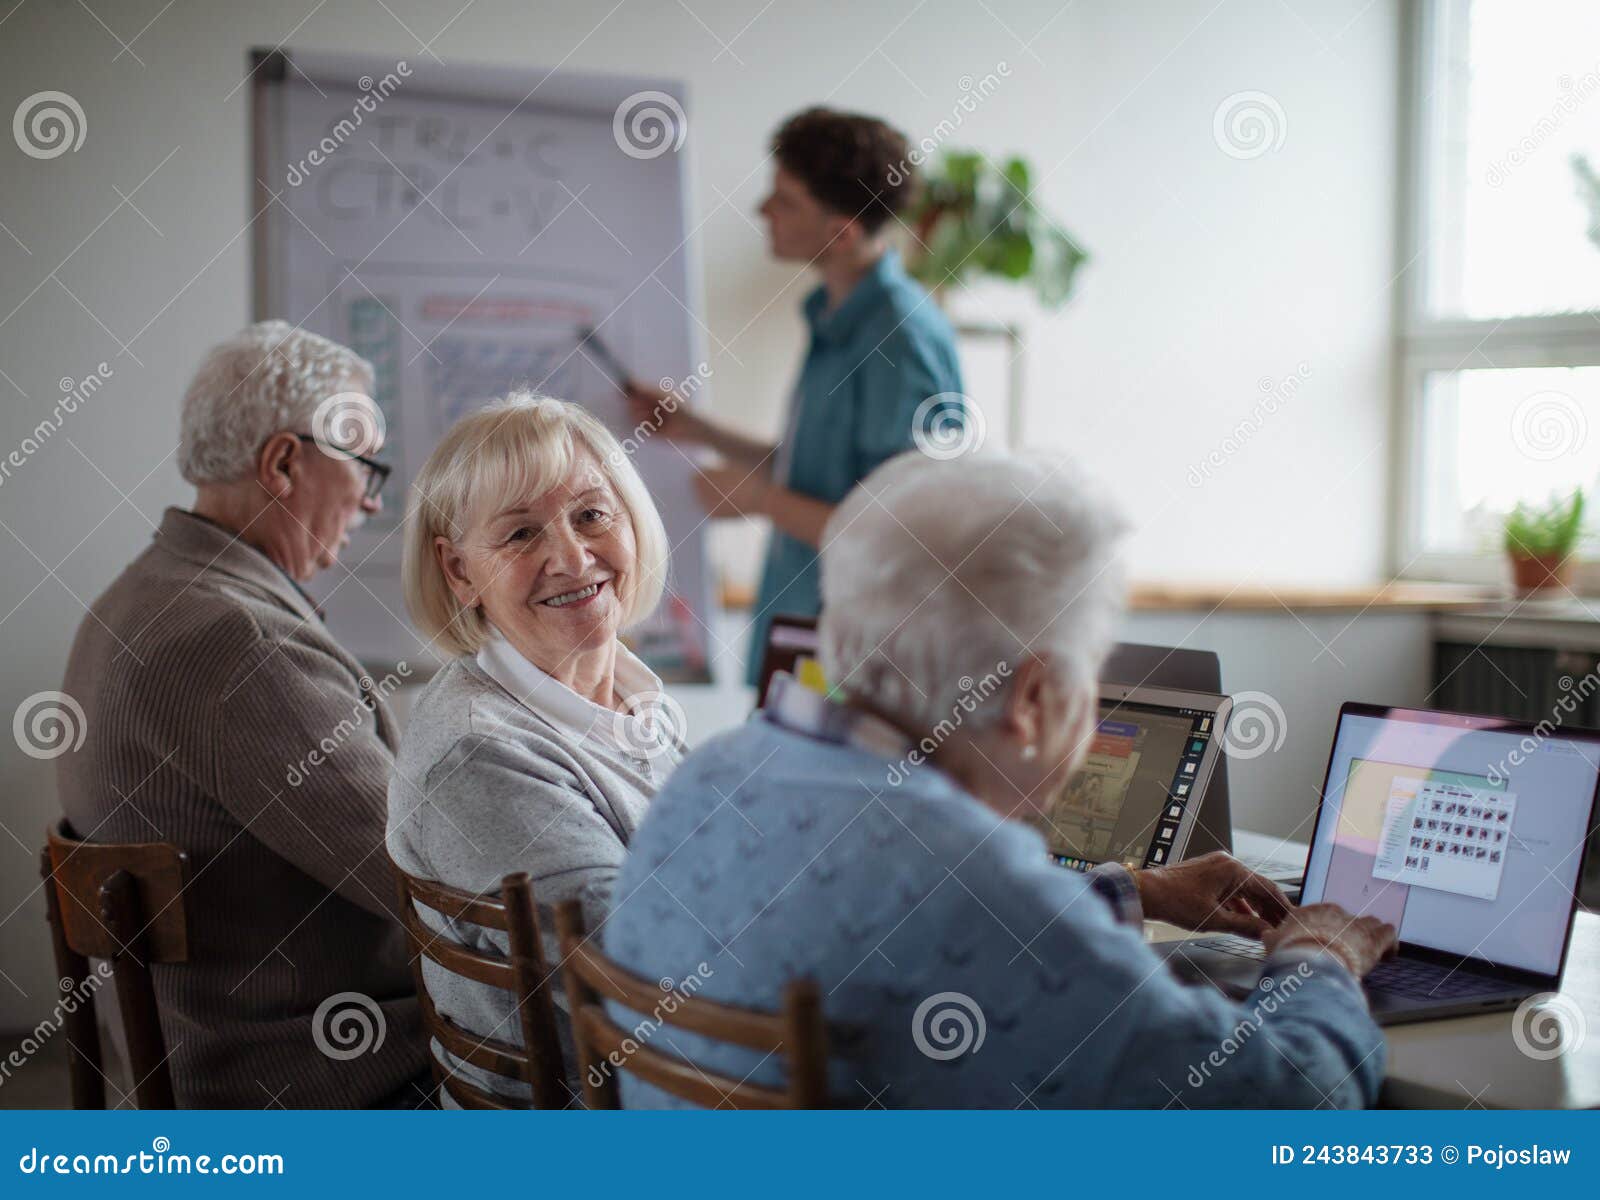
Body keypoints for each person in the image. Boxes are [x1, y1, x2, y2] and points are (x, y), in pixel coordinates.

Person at [602, 451, 1397, 1108]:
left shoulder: (710, 774)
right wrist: (1317, 957)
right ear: (1034, 698)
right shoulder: (967, 876)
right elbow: (1289, 1103)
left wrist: (1131, 893)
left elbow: (892, 941)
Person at [57, 320, 428, 1108]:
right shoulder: (240, 641)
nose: (369, 499)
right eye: (365, 466)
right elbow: (422, 877)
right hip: (311, 1085)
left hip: (199, 1063)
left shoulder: (133, 599)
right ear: (285, 463)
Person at [388, 392, 679, 1105]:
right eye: (521, 535)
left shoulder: (637, 700)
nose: (572, 557)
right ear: (459, 571)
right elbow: (651, 974)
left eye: (591, 515)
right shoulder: (478, 755)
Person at [626, 106, 965, 684]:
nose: (762, 210)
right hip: (802, 636)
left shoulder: (901, 338)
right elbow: (817, 475)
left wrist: (759, 500)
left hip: (858, 659)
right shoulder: (836, 315)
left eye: (784, 199)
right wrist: (699, 430)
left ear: (842, 232)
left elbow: (899, 532)